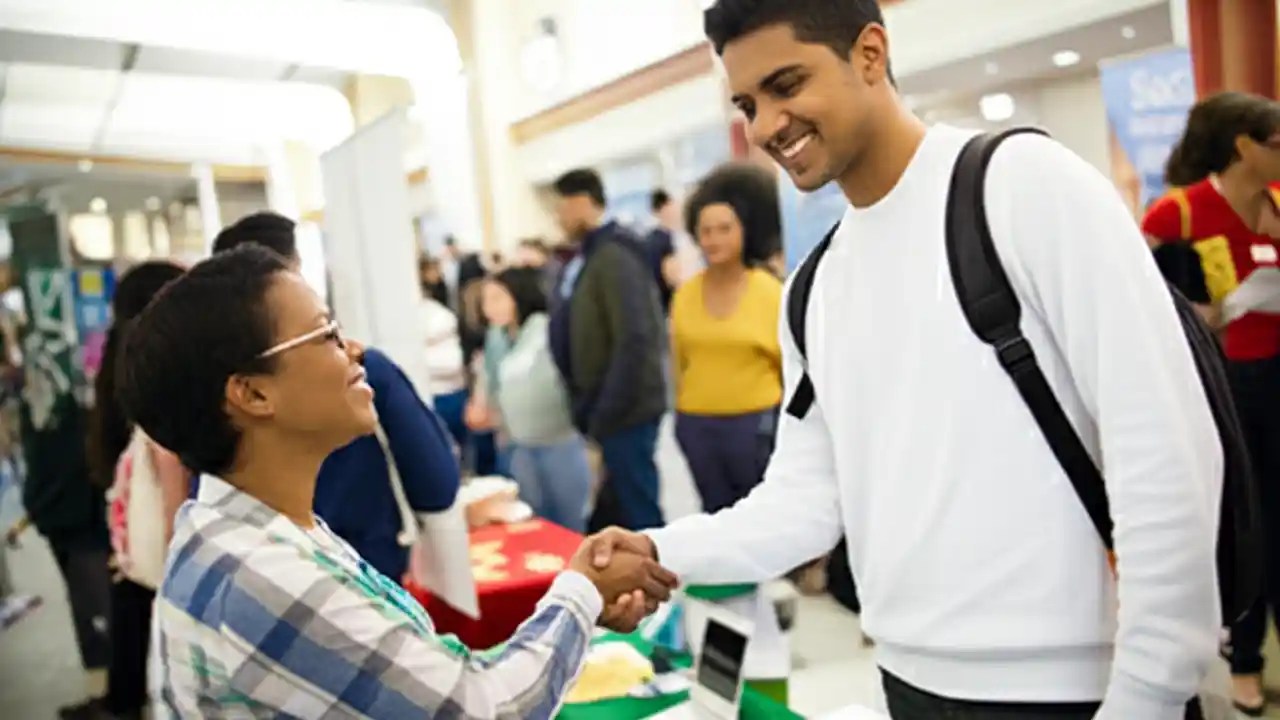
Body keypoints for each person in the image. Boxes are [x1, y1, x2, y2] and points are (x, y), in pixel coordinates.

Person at [587, 2, 1222, 718]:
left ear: (869, 53)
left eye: (787, 85)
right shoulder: (814, 288)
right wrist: (654, 548)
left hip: (1081, 690)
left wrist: (1150, 692)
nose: (765, 125)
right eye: (747, 103)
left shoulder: (1021, 186)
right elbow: (802, 503)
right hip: (908, 684)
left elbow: (1165, 451)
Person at [116, 246, 678, 717]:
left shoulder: (252, 532)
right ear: (253, 393)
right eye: (326, 335)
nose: (355, 350)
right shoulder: (261, 576)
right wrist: (580, 592)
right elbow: (481, 709)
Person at [213, 213, 459, 582]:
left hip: (263, 575)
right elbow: (437, 483)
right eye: (326, 332)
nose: (348, 347)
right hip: (366, 568)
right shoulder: (360, 370)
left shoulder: (212, 394)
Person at [1142, 91, 1280, 716]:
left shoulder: (1277, 206)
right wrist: (1216, 311)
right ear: (1243, 146)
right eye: (1275, 144)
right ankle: (1244, 657)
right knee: (1249, 521)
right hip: (1228, 385)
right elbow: (1146, 306)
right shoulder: (1178, 214)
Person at [86, 261, 190, 720]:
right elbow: (168, 459)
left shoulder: (113, 357)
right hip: (157, 524)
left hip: (128, 521)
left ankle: (122, 701)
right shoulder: (160, 359)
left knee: (132, 613)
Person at [549, 168, 667, 531]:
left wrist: (605, 411)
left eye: (563, 208)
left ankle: (661, 583)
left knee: (640, 512)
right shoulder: (589, 258)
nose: (559, 217)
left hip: (625, 411)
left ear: (583, 203)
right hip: (607, 410)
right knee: (616, 513)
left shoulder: (615, 256)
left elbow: (635, 339)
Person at [671, 163, 783, 512]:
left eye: (724, 229)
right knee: (714, 520)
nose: (713, 239)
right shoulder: (685, 294)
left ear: (745, 231)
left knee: (762, 518)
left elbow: (789, 368)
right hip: (698, 427)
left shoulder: (769, 292)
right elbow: (679, 362)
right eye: (705, 231)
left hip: (755, 427)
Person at [482, 268, 593, 531]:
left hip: (559, 443)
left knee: (569, 526)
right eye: (486, 300)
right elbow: (492, 385)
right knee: (533, 526)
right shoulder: (496, 339)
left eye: (497, 298)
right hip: (518, 446)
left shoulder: (546, 331)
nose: (489, 308)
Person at [643, 190, 683, 314]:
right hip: (667, 306)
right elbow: (673, 277)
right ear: (666, 208)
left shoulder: (648, 239)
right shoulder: (664, 240)